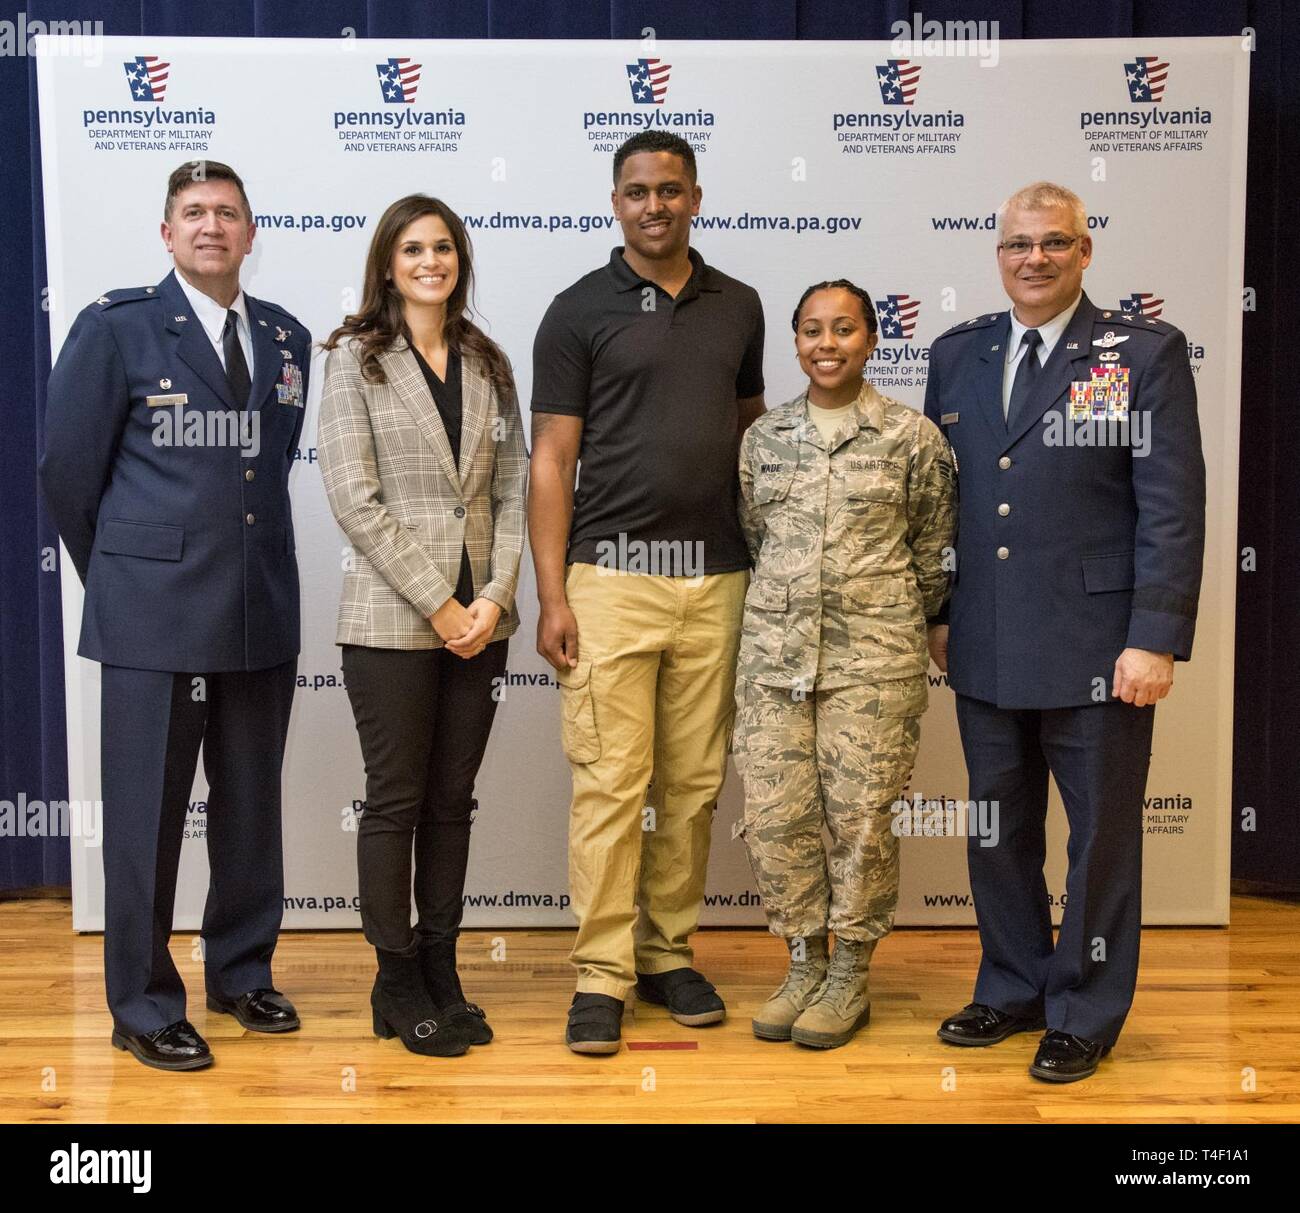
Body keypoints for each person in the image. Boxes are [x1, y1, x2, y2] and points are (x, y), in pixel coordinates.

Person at [925, 181, 1205, 1082]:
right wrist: (938, 611)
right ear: (997, 254)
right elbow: (939, 503)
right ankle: (1011, 985)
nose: (1033, 258)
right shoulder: (957, 354)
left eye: (1053, 243)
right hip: (984, 639)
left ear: (1085, 251)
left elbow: (1170, 505)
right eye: (1017, 244)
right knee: (997, 831)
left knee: (1100, 840)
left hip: (1100, 647)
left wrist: (1154, 635)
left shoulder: (1136, 353)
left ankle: (1083, 1007)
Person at [40, 160, 311, 1071]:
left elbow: (263, 475)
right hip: (152, 620)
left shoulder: (286, 337)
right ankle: (144, 1001)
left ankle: (241, 971)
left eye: (226, 212)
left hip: (257, 612)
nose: (210, 226)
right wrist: (125, 576)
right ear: (166, 233)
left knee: (249, 813)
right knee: (147, 822)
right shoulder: (115, 330)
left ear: (249, 231)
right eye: (192, 212)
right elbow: (67, 477)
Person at [529, 131, 766, 1054]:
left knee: (696, 784)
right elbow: (552, 459)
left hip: (716, 582)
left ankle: (668, 953)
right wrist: (553, 594)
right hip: (611, 581)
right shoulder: (575, 309)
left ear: (696, 197)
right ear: (616, 201)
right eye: (637, 192)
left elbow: (753, 444)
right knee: (611, 786)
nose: (654, 205)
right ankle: (601, 972)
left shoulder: (738, 306)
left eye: (670, 190)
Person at [318, 195, 527, 1058]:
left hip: (482, 623)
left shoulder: (487, 360)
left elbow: (514, 487)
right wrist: (440, 602)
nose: (430, 261)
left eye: (443, 247)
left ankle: (443, 969)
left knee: (452, 803)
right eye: (414, 249)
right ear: (389, 263)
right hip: (392, 621)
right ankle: (395, 978)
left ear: (459, 261)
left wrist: (493, 597)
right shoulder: (353, 360)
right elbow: (354, 500)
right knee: (396, 802)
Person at [735, 281, 954, 1049]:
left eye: (844, 329)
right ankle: (804, 962)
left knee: (859, 822)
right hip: (773, 661)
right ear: (794, 341)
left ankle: (851, 970)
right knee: (777, 818)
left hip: (874, 660)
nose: (827, 343)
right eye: (812, 330)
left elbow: (933, 550)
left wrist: (921, 622)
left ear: (870, 340)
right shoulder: (764, 439)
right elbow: (755, 536)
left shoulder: (911, 436)